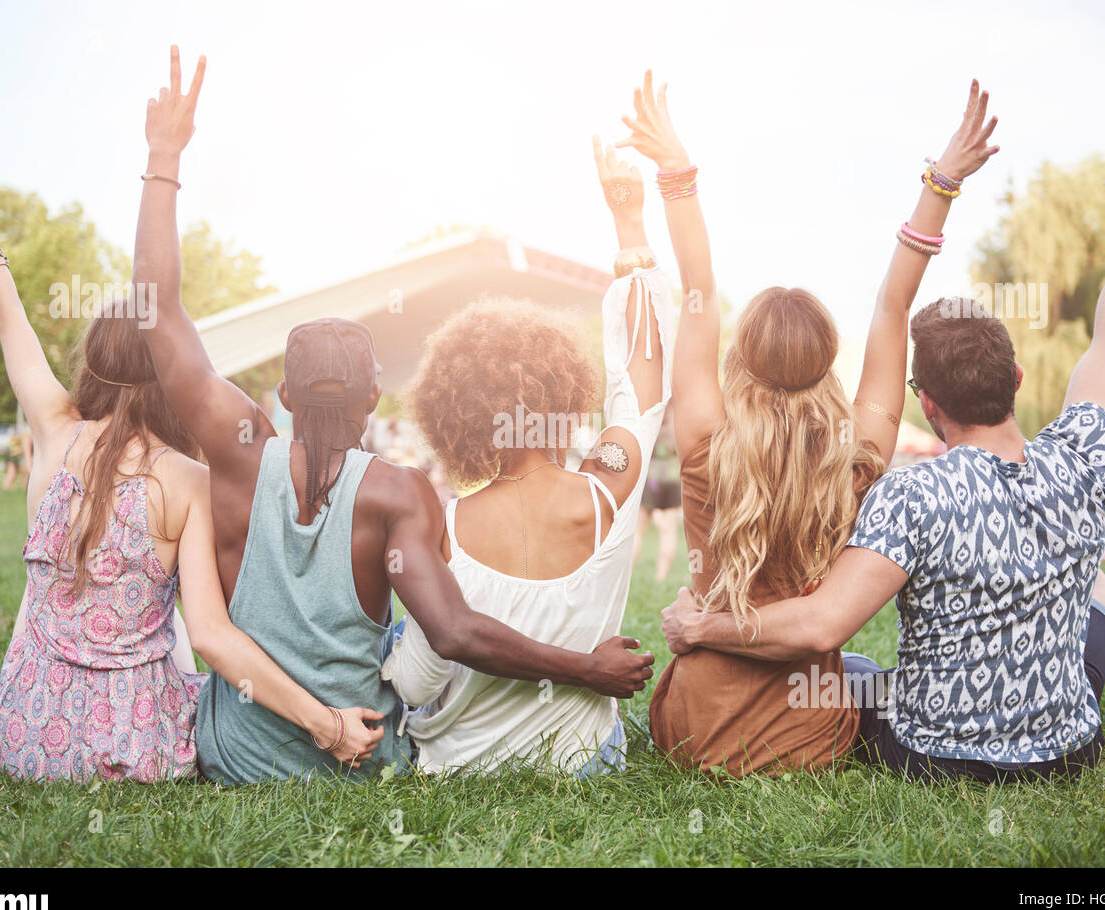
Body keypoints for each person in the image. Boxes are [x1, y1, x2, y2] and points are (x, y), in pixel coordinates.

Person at [132, 47, 654, 786]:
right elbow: (454, 631)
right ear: (374, 398)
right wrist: (586, 668)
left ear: (281, 393)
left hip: (237, 753)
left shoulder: (240, 444)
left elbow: (159, 317)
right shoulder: (397, 491)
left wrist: (162, 160)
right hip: (353, 755)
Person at [662, 143, 1105, 783]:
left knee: (857, 675)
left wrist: (702, 625)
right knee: (1096, 589)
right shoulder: (1080, 456)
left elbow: (822, 625)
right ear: (1017, 377)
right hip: (1066, 749)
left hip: (934, 754)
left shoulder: (911, 496)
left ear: (928, 402)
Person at [0, 135, 383, 782]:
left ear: (93, 365)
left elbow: (7, 313)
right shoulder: (186, 481)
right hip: (133, 747)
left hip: (29, 735)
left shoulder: (55, 430)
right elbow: (211, 636)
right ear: (171, 380)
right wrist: (327, 724)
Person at [621, 73, 999, 777]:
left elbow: (696, 284)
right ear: (828, 360)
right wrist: (940, 183)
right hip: (809, 735)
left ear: (741, 358)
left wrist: (676, 174)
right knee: (860, 668)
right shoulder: (857, 456)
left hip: (694, 727)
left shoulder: (705, 437)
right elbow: (893, 306)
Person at [380, 138, 671, 775]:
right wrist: (629, 226)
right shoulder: (608, 492)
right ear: (563, 395)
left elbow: (418, 684)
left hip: (458, 765)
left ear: (457, 416)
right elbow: (643, 381)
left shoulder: (446, 529)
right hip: (583, 762)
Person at [631, 411, 681, 583]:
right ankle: (661, 577)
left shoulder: (651, 414)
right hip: (673, 477)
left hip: (651, 478)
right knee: (669, 530)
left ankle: (627, 574)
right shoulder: (679, 414)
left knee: (638, 530)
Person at [3, 425, 32, 490]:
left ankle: (23, 487)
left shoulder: (20, 437)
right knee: (12, 473)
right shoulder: (21, 437)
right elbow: (13, 451)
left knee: (23, 474)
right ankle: (6, 488)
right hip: (12, 458)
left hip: (16, 457)